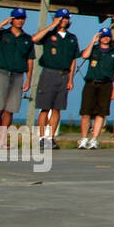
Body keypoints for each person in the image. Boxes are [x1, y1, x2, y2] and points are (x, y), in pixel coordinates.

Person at [0, 9, 35, 148]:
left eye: (22, 18)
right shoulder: (3, 34)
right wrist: (1, 25)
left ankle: (2, 140)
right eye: (17, 18)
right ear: (12, 19)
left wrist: (28, 79)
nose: (20, 20)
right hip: (1, 72)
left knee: (10, 109)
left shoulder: (27, 39)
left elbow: (30, 61)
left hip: (18, 74)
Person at [32, 9, 80, 149]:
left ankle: (51, 138)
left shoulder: (72, 38)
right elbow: (35, 39)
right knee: (45, 107)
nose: (63, 20)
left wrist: (71, 79)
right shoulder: (49, 34)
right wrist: (52, 25)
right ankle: (42, 137)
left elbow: (73, 60)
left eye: (66, 18)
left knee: (57, 108)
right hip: (49, 73)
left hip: (63, 75)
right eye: (61, 18)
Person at [77, 28, 114, 149]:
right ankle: (83, 138)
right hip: (91, 83)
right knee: (85, 112)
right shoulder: (94, 50)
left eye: (107, 36)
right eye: (103, 36)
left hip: (106, 84)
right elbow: (84, 55)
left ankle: (94, 139)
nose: (105, 38)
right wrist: (93, 41)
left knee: (101, 113)